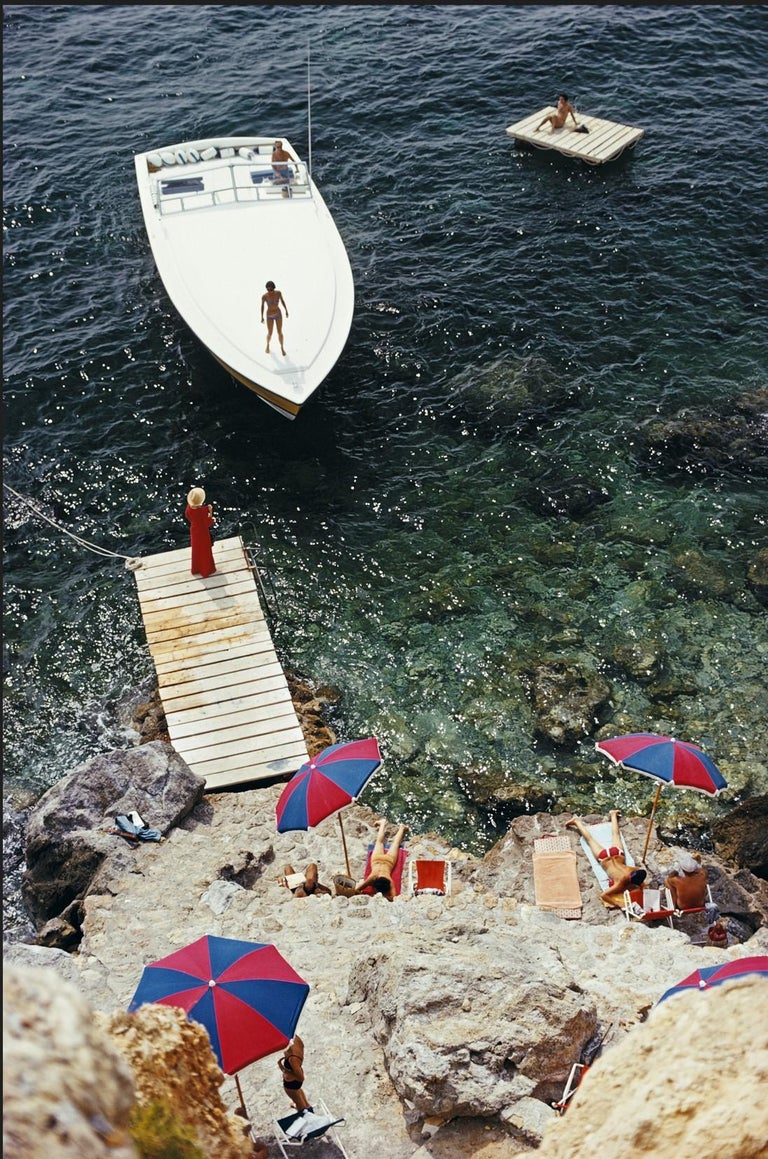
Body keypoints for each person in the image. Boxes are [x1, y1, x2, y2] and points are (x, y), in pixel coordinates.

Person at [565, 809, 646, 908]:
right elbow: (603, 895)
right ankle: (577, 822)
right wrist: (619, 903)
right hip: (603, 858)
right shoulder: (620, 883)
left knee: (614, 835)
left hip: (617, 853)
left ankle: (613, 814)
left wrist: (642, 885)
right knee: (590, 840)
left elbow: (640, 880)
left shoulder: (634, 870)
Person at [354, 818, 408, 902]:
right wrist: (384, 896)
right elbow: (393, 897)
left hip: (388, 861)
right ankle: (396, 826)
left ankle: (399, 827)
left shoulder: (373, 878)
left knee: (386, 843)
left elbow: (356, 890)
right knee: (386, 843)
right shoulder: (387, 880)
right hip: (379, 860)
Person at [185, 487, 215, 578]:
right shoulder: (202, 511)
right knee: (205, 551)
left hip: (194, 531)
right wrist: (210, 513)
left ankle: (196, 568)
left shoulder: (189, 508)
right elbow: (207, 523)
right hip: (203, 532)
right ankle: (206, 570)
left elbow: (188, 515)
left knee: (196, 550)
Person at [278, 1034, 312, 1113]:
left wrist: (283, 1068)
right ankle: (308, 1108)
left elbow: (301, 1078)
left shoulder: (292, 1059)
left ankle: (306, 1117)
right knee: (300, 1095)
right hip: (296, 1084)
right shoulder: (296, 1038)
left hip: (291, 1084)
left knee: (299, 1103)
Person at [261, 280, 288, 356]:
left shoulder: (278, 293)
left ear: (274, 288)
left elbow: (282, 301)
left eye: (271, 289)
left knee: (280, 332)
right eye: (268, 289)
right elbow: (262, 306)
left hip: (278, 314)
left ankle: (282, 347)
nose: (269, 291)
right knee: (270, 333)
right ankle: (267, 345)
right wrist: (262, 317)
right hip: (269, 316)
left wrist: (286, 310)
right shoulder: (264, 296)